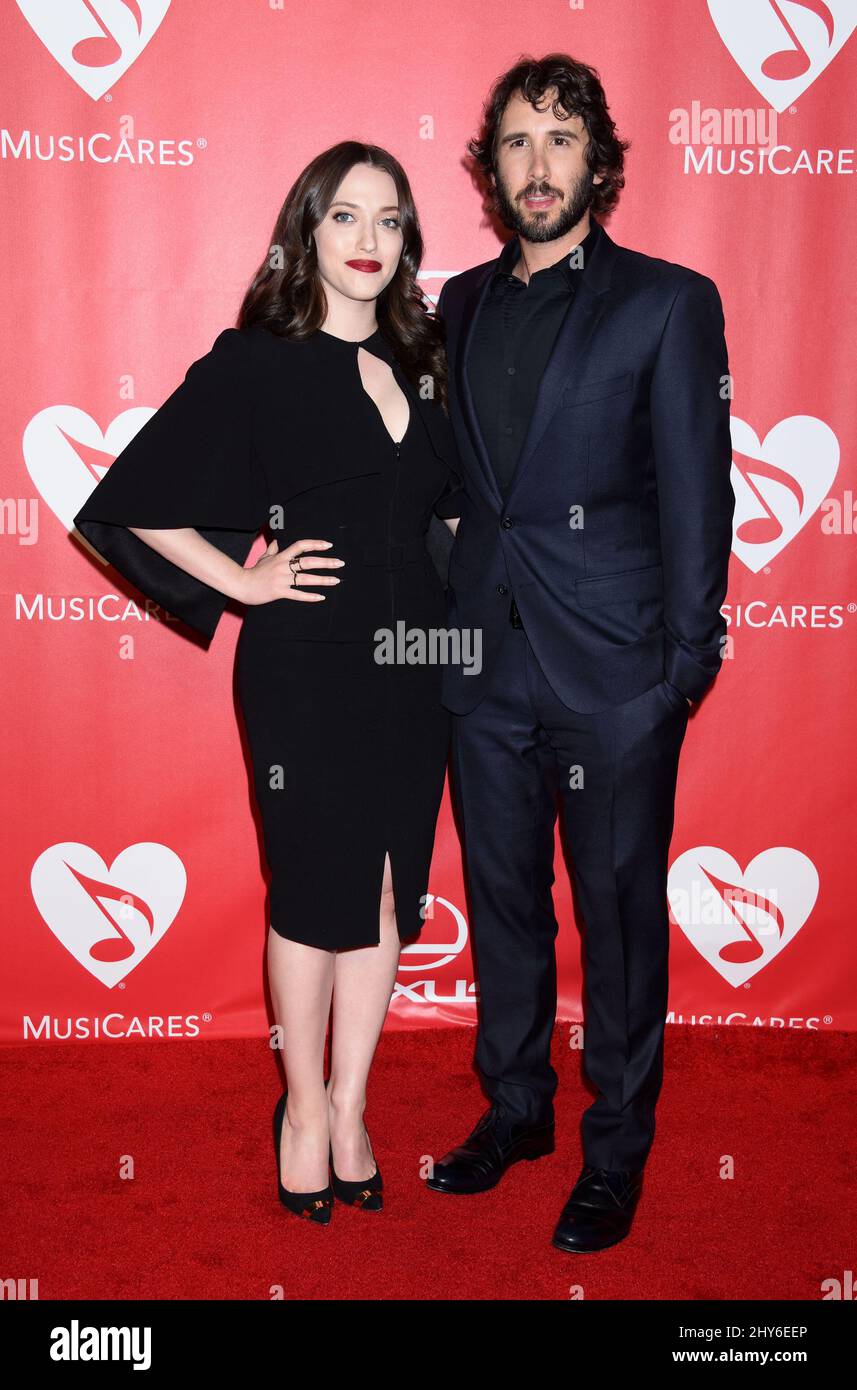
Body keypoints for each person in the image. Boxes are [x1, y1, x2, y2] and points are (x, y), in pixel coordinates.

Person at [73, 143, 463, 1225]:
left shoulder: (427, 358)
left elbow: (452, 509)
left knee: (388, 887)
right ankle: (297, 1111)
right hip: (303, 666)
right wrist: (243, 581)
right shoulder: (256, 362)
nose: (369, 241)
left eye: (389, 220)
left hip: (416, 660)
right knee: (310, 892)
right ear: (308, 231)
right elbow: (134, 500)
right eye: (346, 217)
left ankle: (349, 1108)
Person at [428, 53, 735, 1252]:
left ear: (595, 164)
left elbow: (695, 497)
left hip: (615, 677)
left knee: (614, 917)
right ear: (490, 168)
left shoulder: (668, 300)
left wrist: (680, 667)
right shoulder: (455, 303)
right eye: (513, 142)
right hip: (484, 666)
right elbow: (451, 488)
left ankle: (616, 1148)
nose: (535, 165)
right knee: (501, 902)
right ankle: (515, 1112)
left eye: (558, 140)